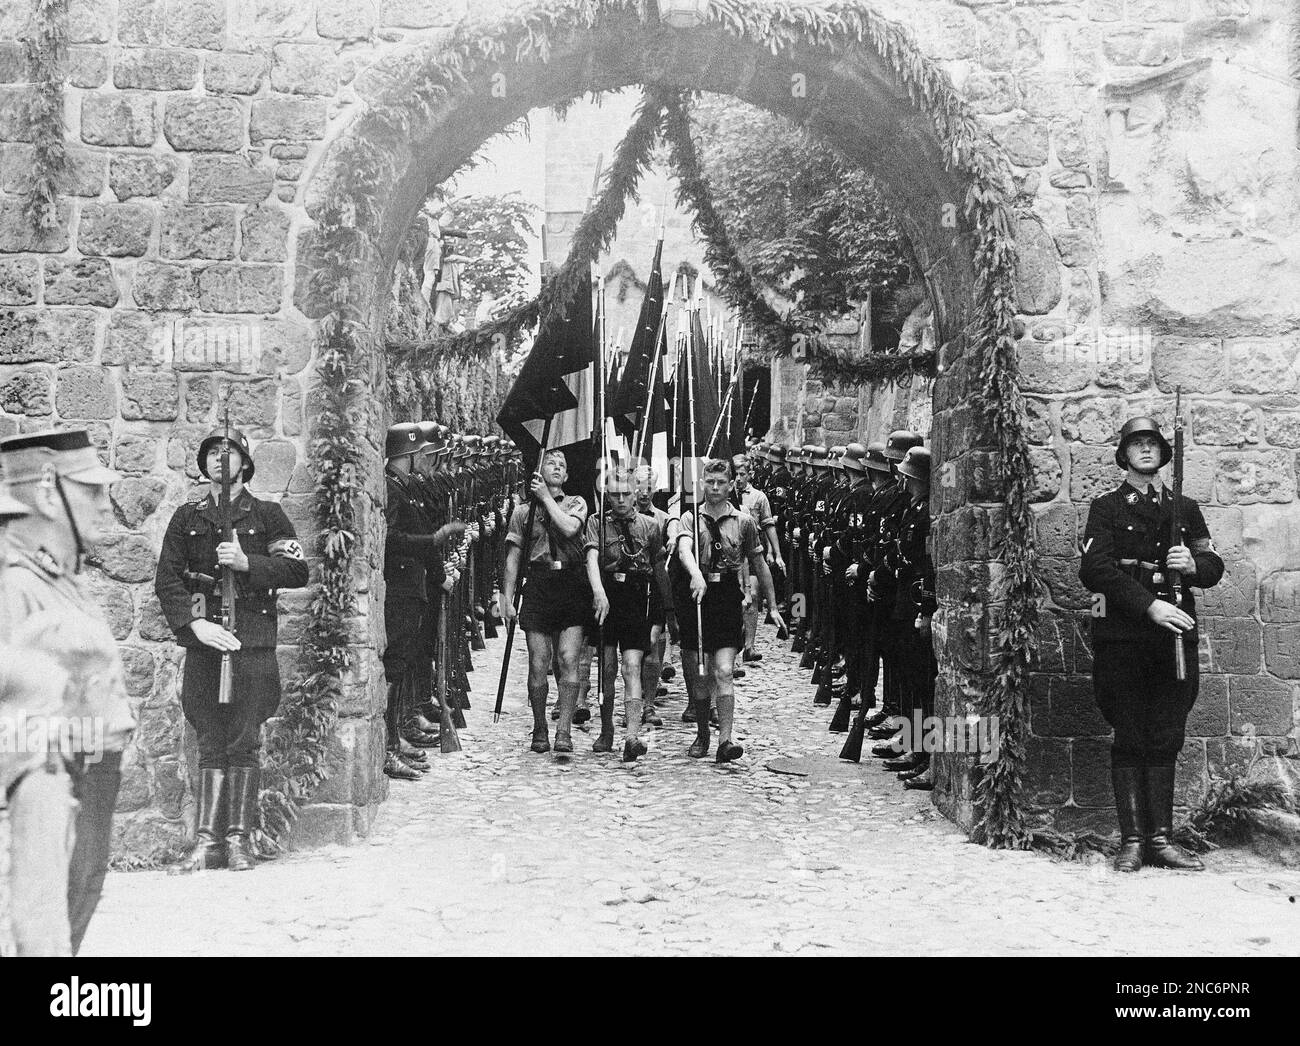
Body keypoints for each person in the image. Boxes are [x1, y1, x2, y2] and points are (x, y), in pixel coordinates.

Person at [0, 430, 134, 954]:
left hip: (90, 773)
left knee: (71, 917)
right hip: (55, 779)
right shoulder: (15, 585)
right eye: (92, 490)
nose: (107, 503)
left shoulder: (60, 577)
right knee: (43, 927)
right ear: (49, 490)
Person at [155, 426, 309, 872]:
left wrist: (248, 564)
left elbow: (297, 570)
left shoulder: (268, 515)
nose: (219, 459)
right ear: (202, 464)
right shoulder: (187, 518)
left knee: (245, 739)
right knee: (208, 737)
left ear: (245, 462)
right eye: (211, 452)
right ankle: (207, 842)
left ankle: (238, 840)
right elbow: (168, 579)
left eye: (229, 451)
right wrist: (194, 625)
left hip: (252, 644)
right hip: (206, 644)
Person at [1080, 416, 1224, 873]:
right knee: (1128, 730)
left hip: (1174, 635)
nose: (1146, 450)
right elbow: (1096, 571)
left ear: (1164, 454)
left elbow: (1213, 562)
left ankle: (1162, 839)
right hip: (1124, 633)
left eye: (1153, 444)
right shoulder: (1105, 508)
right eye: (1136, 444)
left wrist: (1195, 565)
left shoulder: (1185, 507)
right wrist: (1149, 606)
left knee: (1166, 731)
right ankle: (1132, 840)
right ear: (1124, 455)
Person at [674, 458, 785, 762]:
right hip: (696, 596)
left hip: (725, 596)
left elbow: (759, 563)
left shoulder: (744, 521)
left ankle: (726, 739)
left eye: (721, 482)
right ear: (702, 483)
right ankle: (702, 733)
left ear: (731, 484)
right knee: (699, 673)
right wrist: (695, 572)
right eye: (710, 481)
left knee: (723, 670)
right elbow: (684, 548)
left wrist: (773, 606)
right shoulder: (689, 519)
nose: (715, 487)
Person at [500, 449, 590, 755]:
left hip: (570, 584)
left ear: (565, 477)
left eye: (561, 465)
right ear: (539, 472)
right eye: (550, 462)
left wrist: (546, 499)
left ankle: (564, 729)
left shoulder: (576, 502)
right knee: (539, 662)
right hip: (538, 585)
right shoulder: (522, 513)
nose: (556, 467)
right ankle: (540, 727)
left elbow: (569, 527)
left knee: (568, 658)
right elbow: (513, 558)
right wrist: (507, 597)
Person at [585, 467, 671, 761]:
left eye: (626, 493)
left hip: (638, 596)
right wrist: (598, 592)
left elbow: (659, 568)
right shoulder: (597, 522)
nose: (620, 499)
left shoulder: (649, 526)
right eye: (614, 494)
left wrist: (667, 611)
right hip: (608, 595)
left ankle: (632, 735)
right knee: (607, 668)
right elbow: (592, 558)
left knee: (631, 666)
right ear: (606, 494)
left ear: (636, 493)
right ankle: (607, 728)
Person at [732, 453, 783, 665]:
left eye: (742, 474)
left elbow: (768, 523)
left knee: (751, 595)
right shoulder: (726, 494)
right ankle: (734, 644)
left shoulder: (758, 497)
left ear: (749, 474)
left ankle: (749, 646)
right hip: (732, 554)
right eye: (735, 474)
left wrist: (776, 552)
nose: (738, 478)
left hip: (752, 551)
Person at [634, 465, 674, 726]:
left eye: (649, 488)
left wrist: (672, 538)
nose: (644, 493)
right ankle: (632, 698)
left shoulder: (662, 518)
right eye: (639, 486)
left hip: (654, 586)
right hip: (629, 588)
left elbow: (672, 530)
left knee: (652, 648)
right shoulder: (621, 514)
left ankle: (648, 703)